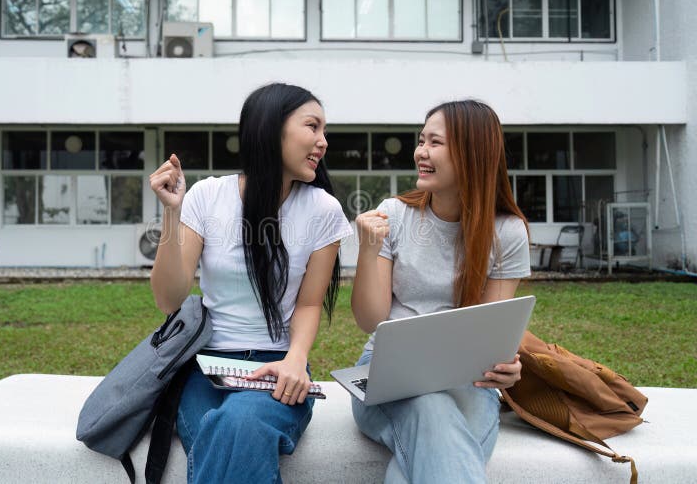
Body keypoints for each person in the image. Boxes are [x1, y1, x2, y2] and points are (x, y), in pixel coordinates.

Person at [148, 83, 352, 483]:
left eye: (324, 130)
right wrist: (172, 214)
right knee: (230, 434)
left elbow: (310, 304)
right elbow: (169, 299)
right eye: (312, 126)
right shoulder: (208, 196)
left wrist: (296, 359)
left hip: (279, 368)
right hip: (204, 370)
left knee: (237, 423)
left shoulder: (323, 210)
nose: (323, 141)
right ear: (271, 129)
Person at [350, 99, 531, 484]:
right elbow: (370, 319)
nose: (421, 152)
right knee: (431, 409)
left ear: (472, 153)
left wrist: (504, 367)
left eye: (435, 143)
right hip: (385, 374)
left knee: (417, 458)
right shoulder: (393, 215)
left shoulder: (507, 232)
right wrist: (368, 250)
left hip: (467, 380)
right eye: (421, 141)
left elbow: (491, 333)